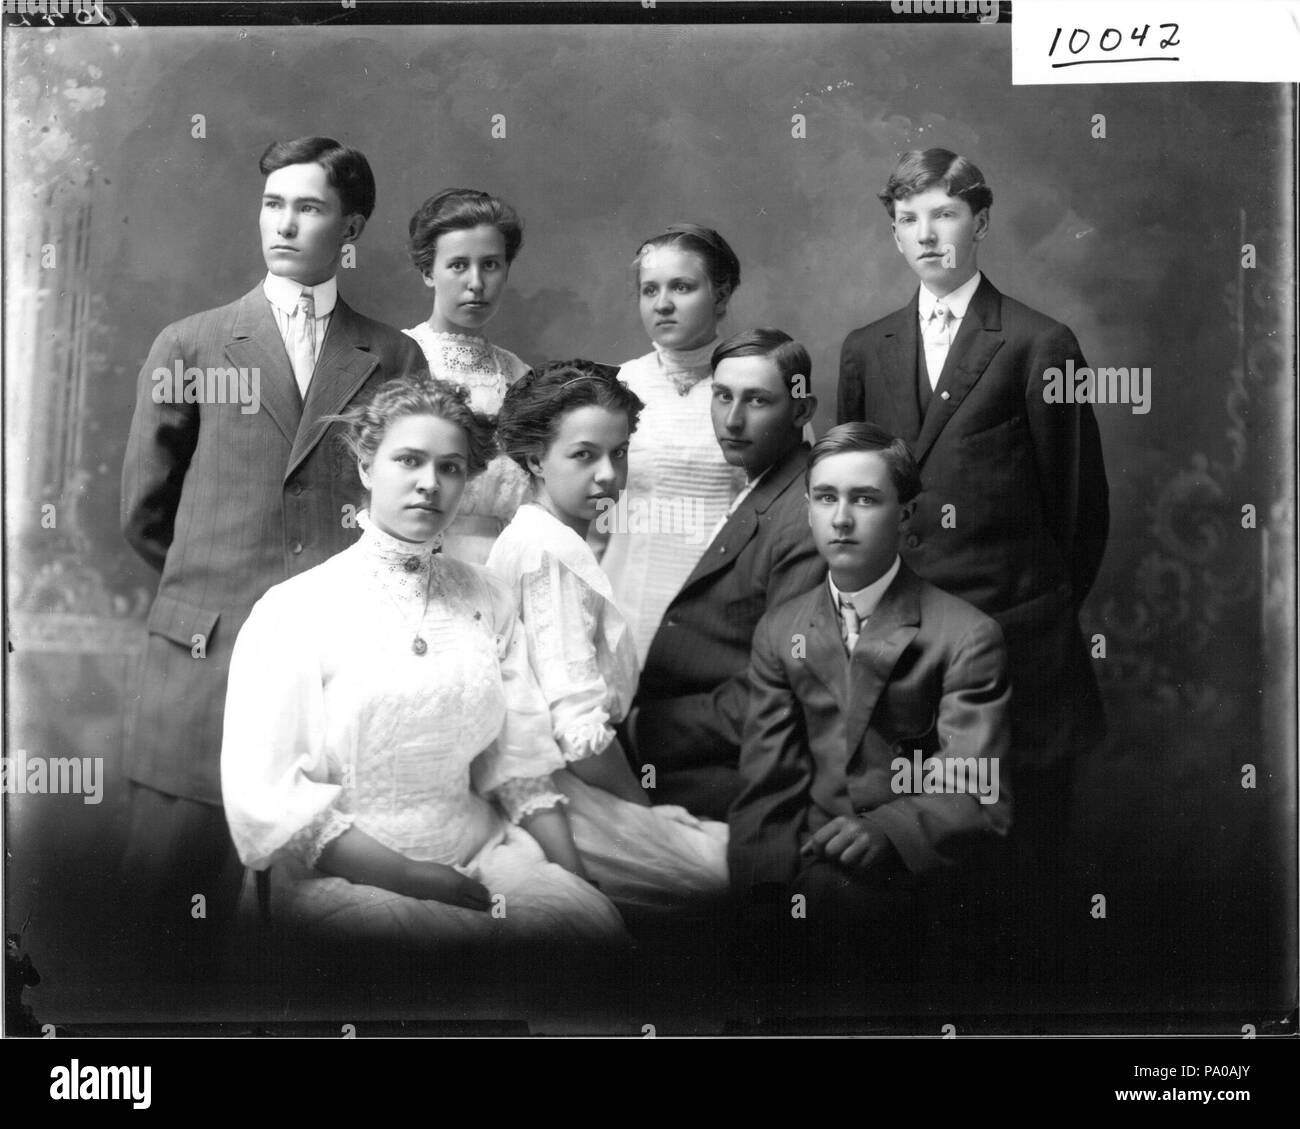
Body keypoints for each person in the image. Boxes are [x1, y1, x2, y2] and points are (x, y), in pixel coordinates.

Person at [120, 136, 426, 930]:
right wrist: (230, 596)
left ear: (350, 229)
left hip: (336, 664)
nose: (284, 224)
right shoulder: (190, 343)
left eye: (310, 207)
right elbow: (145, 512)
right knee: (161, 909)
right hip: (205, 654)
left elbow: (404, 503)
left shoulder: (394, 355)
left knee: (319, 914)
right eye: (272, 204)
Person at [220, 376, 627, 953]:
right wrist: (411, 877)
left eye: (452, 467)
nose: (430, 484)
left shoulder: (489, 598)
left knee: (589, 930)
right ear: (366, 467)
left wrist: (575, 874)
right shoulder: (294, 610)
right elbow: (271, 797)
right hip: (339, 870)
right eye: (409, 460)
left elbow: (517, 765)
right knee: (450, 960)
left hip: (478, 851)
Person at [836, 149, 1108, 865]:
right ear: (894, 235)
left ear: (980, 221)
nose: (927, 235)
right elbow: (854, 507)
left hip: (1020, 652)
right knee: (910, 866)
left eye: (945, 214)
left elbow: (1078, 512)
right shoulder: (866, 349)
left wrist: (1027, 610)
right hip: (902, 656)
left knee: (1022, 870)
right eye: (908, 219)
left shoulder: (1039, 343)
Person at [728, 423, 1012, 968]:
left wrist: (888, 831)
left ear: (905, 516)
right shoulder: (781, 627)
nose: (841, 519)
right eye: (826, 498)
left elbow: (976, 793)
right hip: (807, 864)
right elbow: (767, 786)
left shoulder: (965, 634)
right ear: (808, 509)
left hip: (912, 869)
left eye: (865, 499)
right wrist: (762, 890)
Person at [488, 361, 729, 914]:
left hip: (551, 783)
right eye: (584, 455)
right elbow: (577, 729)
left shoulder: (531, 534)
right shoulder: (553, 552)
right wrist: (642, 814)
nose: (607, 475)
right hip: (560, 793)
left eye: (618, 453)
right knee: (727, 875)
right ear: (533, 460)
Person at [628, 329, 826, 819]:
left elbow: (779, 693)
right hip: (695, 752)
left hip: (732, 777)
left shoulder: (804, 517)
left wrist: (639, 730)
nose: (733, 420)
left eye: (758, 401)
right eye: (722, 396)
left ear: (802, 411)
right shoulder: (765, 488)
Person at [598, 224, 747, 662]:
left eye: (682, 287)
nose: (662, 304)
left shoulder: (755, 386)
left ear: (720, 295)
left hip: (721, 612)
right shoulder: (617, 386)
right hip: (625, 607)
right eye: (649, 290)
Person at [402, 188, 532, 565]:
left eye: (490, 265)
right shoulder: (400, 356)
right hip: (420, 558)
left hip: (504, 564)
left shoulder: (518, 375)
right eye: (458, 265)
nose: (476, 282)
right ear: (429, 272)